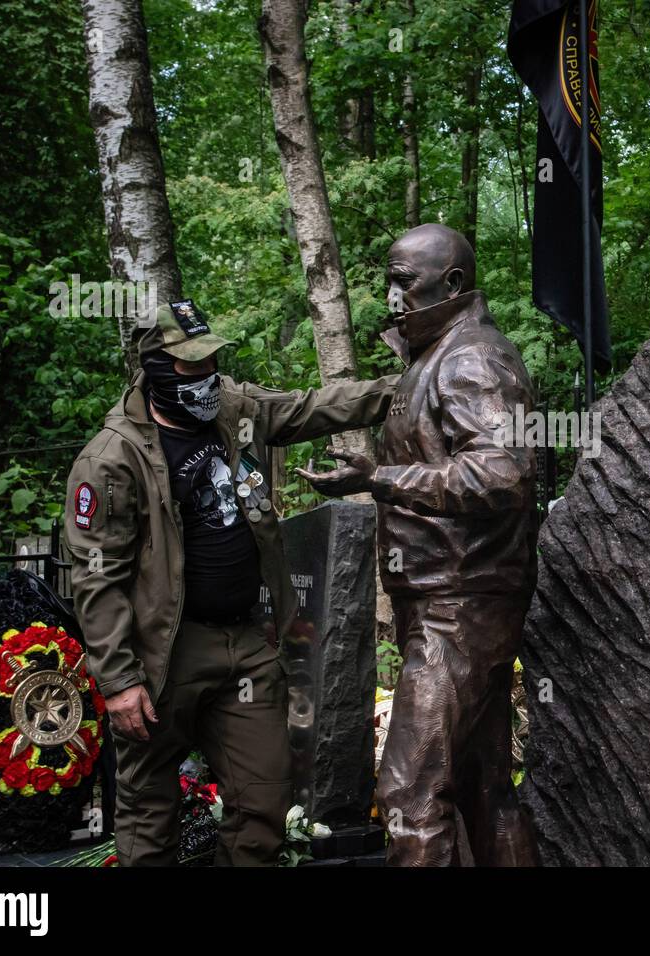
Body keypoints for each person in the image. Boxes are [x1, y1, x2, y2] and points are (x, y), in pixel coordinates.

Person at [65, 300, 397, 865]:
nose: (205, 378)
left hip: (245, 640)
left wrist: (405, 388)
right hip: (164, 651)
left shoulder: (231, 411)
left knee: (265, 796)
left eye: (211, 363)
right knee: (149, 812)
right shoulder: (111, 460)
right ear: (156, 369)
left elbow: (312, 407)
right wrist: (119, 679)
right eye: (191, 367)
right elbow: (97, 579)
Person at [297, 223, 539, 866]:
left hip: (459, 604)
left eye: (406, 280)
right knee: (483, 783)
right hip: (445, 599)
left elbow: (505, 472)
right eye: (388, 279)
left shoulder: (471, 358)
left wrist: (378, 478)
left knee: (408, 789)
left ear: (452, 283)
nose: (391, 293)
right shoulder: (431, 356)